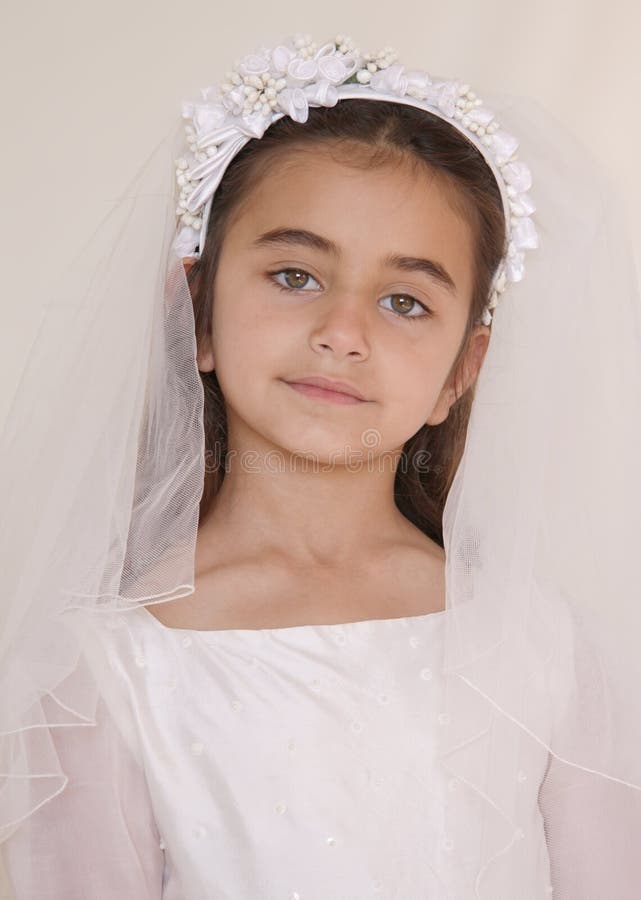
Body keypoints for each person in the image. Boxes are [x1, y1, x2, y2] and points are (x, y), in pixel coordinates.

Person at [2, 31, 641, 899]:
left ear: (462, 369)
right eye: (295, 275)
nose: (343, 332)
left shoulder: (541, 646)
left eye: (403, 300)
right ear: (196, 314)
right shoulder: (99, 669)